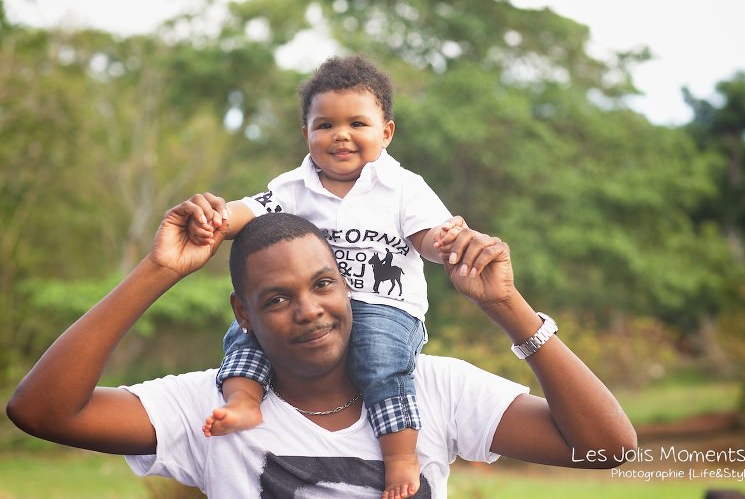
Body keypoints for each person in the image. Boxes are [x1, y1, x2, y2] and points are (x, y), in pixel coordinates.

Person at [6, 194, 637, 499]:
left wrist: (507, 307)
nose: (309, 310)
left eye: (323, 284)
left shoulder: (433, 387)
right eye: (276, 299)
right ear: (242, 315)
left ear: (348, 285)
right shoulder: (210, 407)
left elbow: (608, 449)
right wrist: (160, 270)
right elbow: (43, 412)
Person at [193, 55, 468, 498]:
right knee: (247, 334)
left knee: (379, 361)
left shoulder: (402, 187)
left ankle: (399, 454)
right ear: (306, 134)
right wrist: (217, 219)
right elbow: (252, 210)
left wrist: (449, 242)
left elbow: (426, 237)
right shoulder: (292, 187)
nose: (340, 135)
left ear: (386, 132)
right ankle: (243, 401)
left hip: (384, 306)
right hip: (311, 303)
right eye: (324, 125)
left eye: (357, 123)